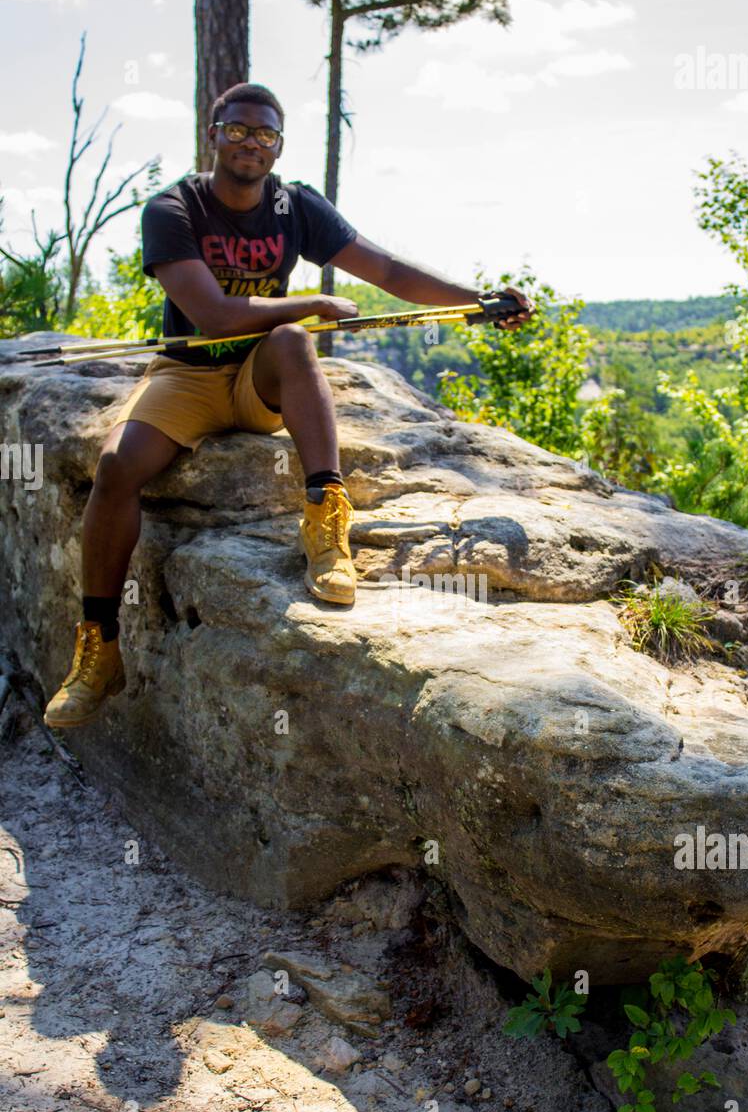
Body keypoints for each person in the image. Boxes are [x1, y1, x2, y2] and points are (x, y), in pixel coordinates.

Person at [43, 82, 534, 729]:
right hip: (189, 373)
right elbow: (214, 315)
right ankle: (99, 650)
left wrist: (474, 301)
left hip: (258, 375)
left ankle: (326, 523)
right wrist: (311, 301)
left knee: (294, 343)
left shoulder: (293, 205)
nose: (252, 143)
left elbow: (384, 269)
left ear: (278, 147)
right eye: (239, 130)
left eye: (265, 134)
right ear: (213, 134)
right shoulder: (173, 208)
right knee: (116, 468)